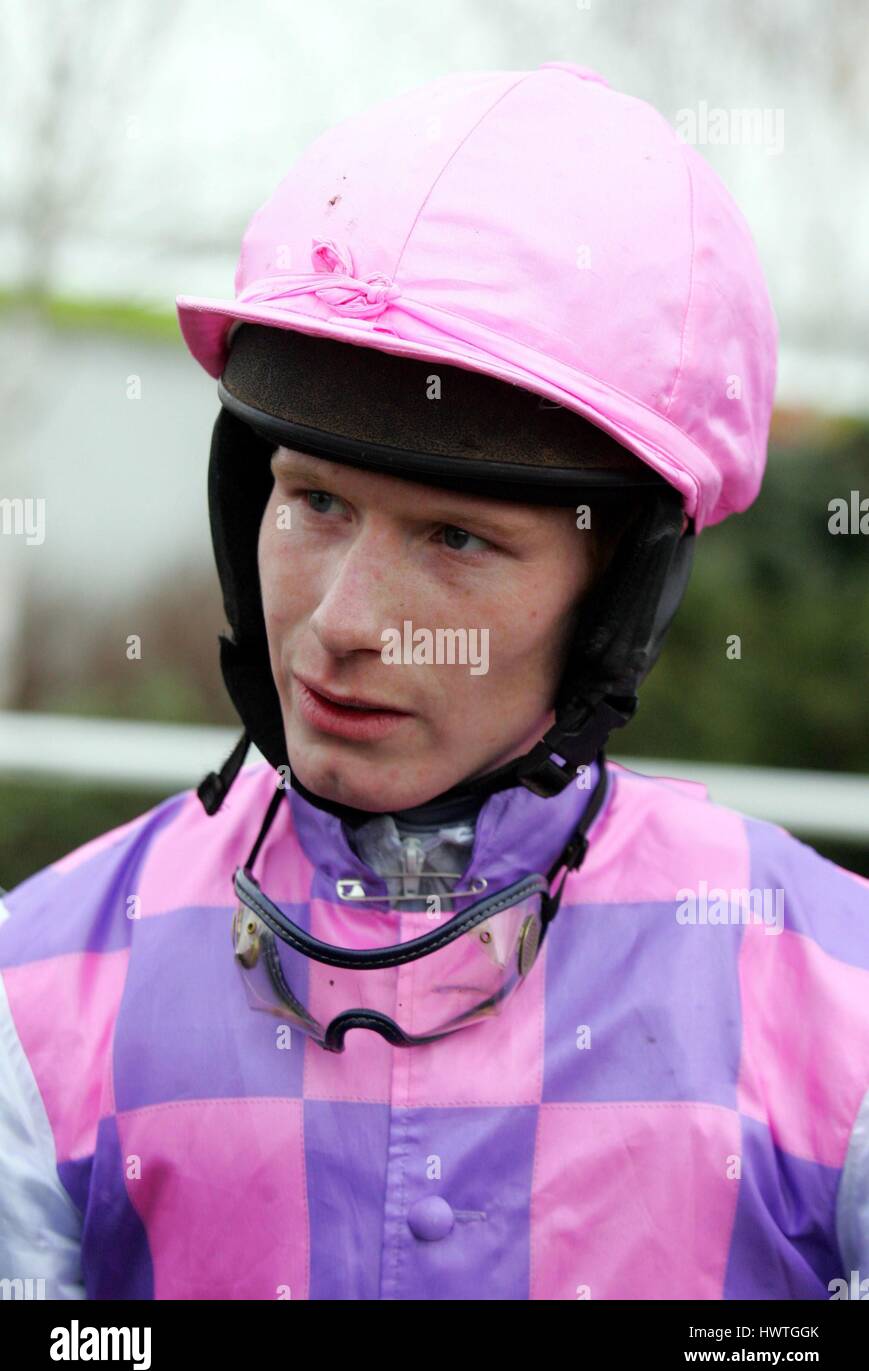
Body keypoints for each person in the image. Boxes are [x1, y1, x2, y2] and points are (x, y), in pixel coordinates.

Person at [1, 61, 868, 1303]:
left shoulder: (838, 1008)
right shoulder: (32, 997)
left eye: (456, 540)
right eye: (311, 501)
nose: (341, 625)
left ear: (623, 591)